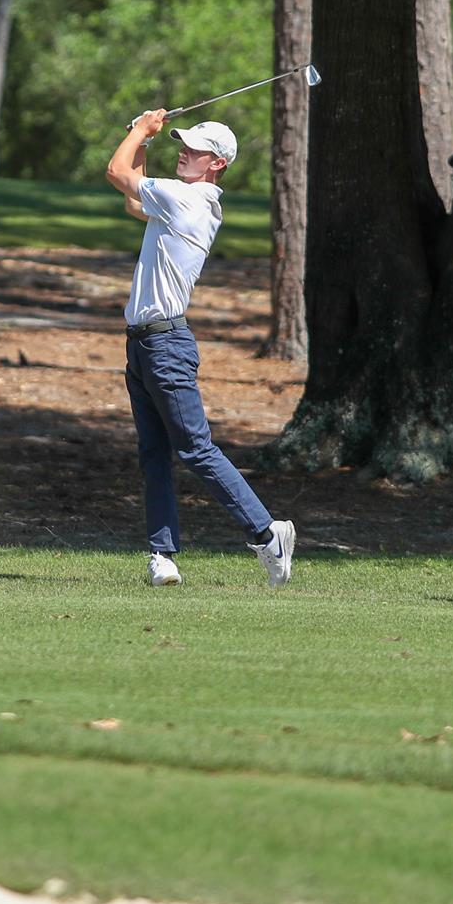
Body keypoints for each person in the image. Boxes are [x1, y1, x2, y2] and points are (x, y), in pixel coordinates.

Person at [105, 109, 295, 588]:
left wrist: (138, 133)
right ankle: (163, 556)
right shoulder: (179, 199)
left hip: (166, 345)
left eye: (195, 149)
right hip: (145, 345)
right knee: (155, 454)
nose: (184, 152)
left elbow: (116, 174)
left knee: (195, 449)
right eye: (182, 145)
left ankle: (267, 532)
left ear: (217, 164)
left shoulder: (187, 199)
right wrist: (143, 142)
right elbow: (133, 201)